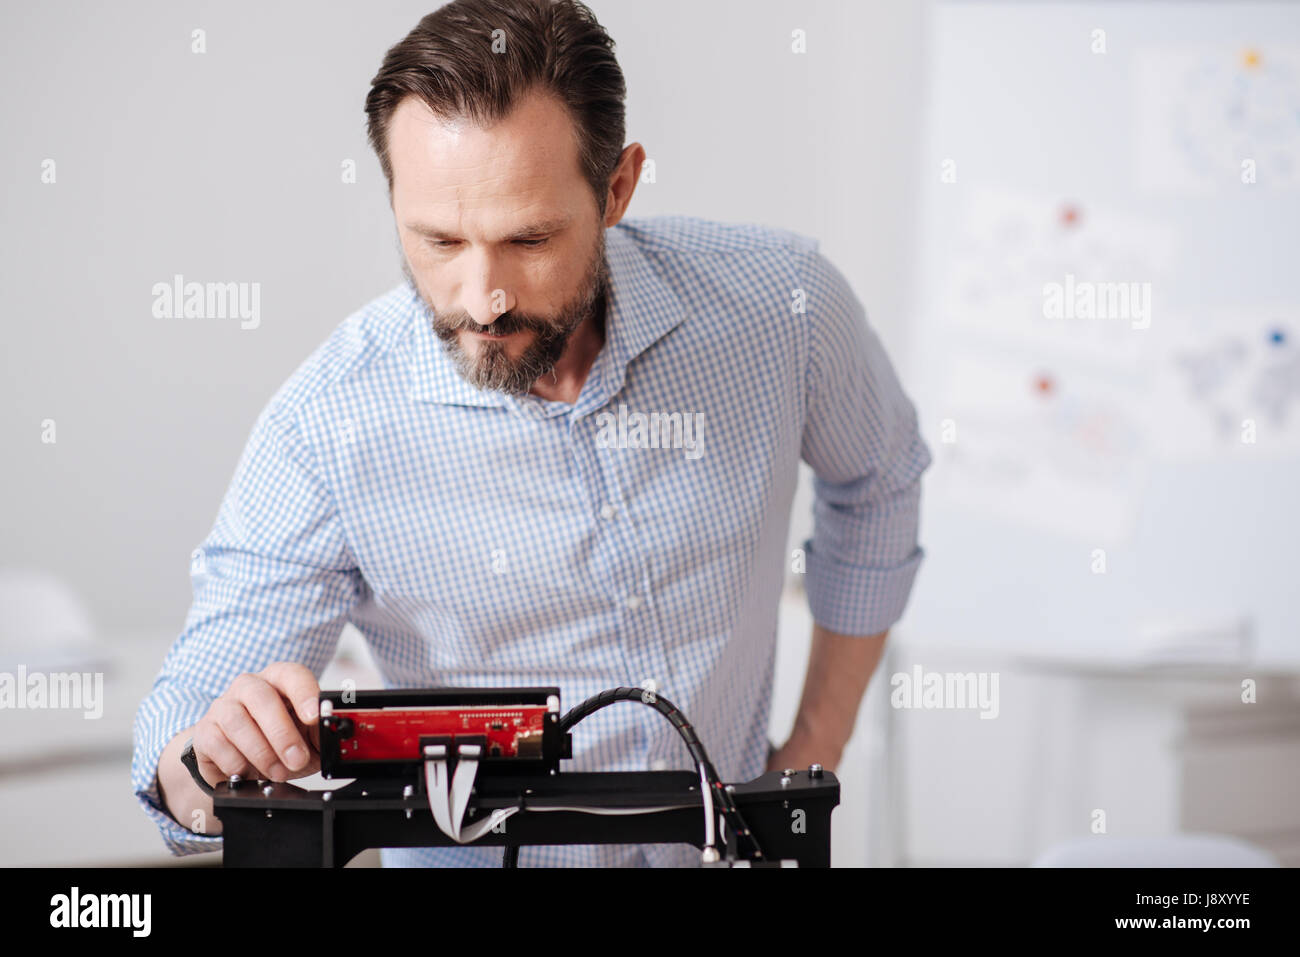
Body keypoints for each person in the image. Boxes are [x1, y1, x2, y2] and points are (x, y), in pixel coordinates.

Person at [131, 0, 931, 867]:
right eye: (437, 239)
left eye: (530, 239)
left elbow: (880, 479)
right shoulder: (329, 424)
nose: (482, 298)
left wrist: (813, 747)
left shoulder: (785, 307)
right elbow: (180, 753)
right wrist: (210, 757)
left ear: (617, 188)